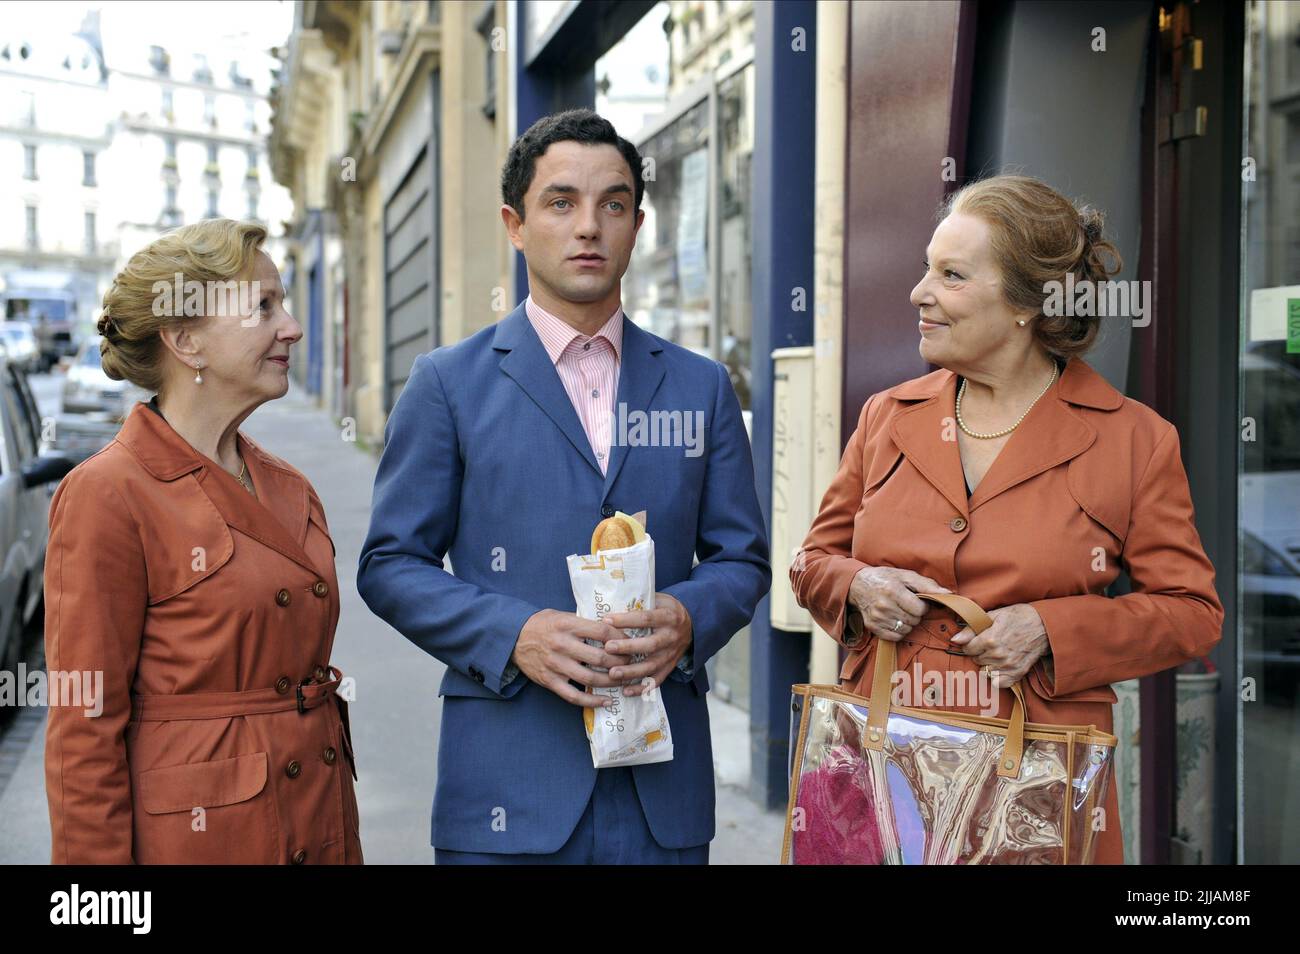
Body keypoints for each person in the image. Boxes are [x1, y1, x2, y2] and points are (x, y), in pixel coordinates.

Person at [358, 109, 770, 864]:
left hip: (662, 802)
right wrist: (515, 636)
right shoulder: (448, 384)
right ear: (516, 225)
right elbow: (388, 566)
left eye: (613, 204)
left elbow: (743, 559)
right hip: (507, 794)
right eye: (561, 202)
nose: (590, 226)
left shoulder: (702, 387)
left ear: (638, 225)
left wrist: (686, 617)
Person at [790, 175, 1224, 864]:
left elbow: (1193, 612)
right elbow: (813, 561)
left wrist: (1052, 630)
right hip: (882, 768)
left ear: (1027, 305)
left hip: (1039, 789)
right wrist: (858, 587)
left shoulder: (1134, 439)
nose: (919, 293)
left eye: (951, 275)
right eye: (926, 268)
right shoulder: (885, 416)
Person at [44, 219, 361, 864]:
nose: (292, 326)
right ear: (186, 340)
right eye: (263, 307)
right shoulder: (109, 494)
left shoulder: (289, 486)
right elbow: (84, 731)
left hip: (316, 821)